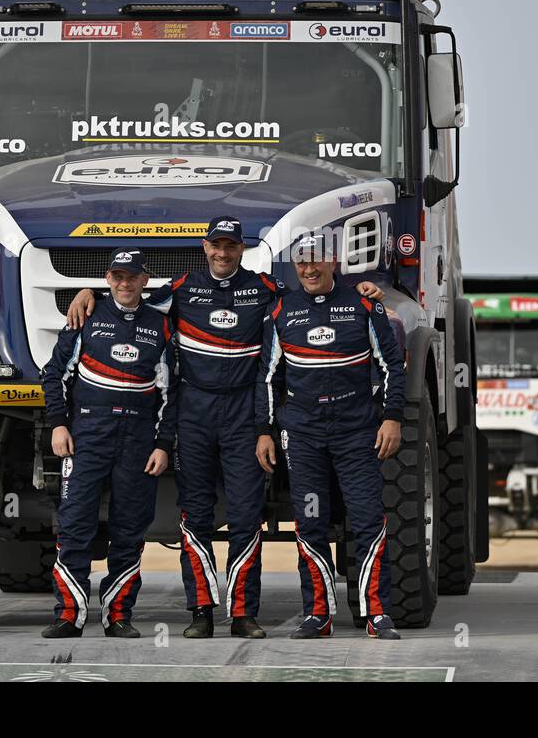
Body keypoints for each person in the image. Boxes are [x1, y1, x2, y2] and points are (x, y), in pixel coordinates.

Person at [66, 217, 382, 639]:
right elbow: (130, 299)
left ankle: (242, 614)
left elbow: (313, 297)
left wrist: (363, 292)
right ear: (205, 246)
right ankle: (200, 611)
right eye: (216, 245)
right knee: (195, 516)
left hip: (244, 414)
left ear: (241, 249)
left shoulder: (265, 289)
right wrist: (89, 292)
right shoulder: (180, 289)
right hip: (194, 413)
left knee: (246, 516)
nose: (223, 252)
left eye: (231, 246)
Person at [255, 234, 406, 640]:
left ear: (334, 261)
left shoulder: (363, 303)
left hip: (356, 433)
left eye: (317, 261)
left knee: (368, 519)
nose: (309, 269)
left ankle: (377, 613)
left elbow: (392, 364)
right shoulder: (281, 311)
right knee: (310, 521)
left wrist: (392, 418)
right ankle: (317, 614)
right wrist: (265, 432)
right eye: (302, 262)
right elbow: (268, 378)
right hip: (302, 437)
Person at [40, 247, 176, 639]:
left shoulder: (161, 326)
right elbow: (53, 376)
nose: (125, 282)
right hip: (87, 438)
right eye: (117, 276)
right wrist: (58, 425)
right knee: (74, 526)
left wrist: (162, 445)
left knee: (130, 530)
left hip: (138, 440)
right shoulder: (86, 316)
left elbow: (171, 393)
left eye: (132, 276)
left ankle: (118, 615)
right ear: (107, 278)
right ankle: (70, 615)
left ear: (144, 280)